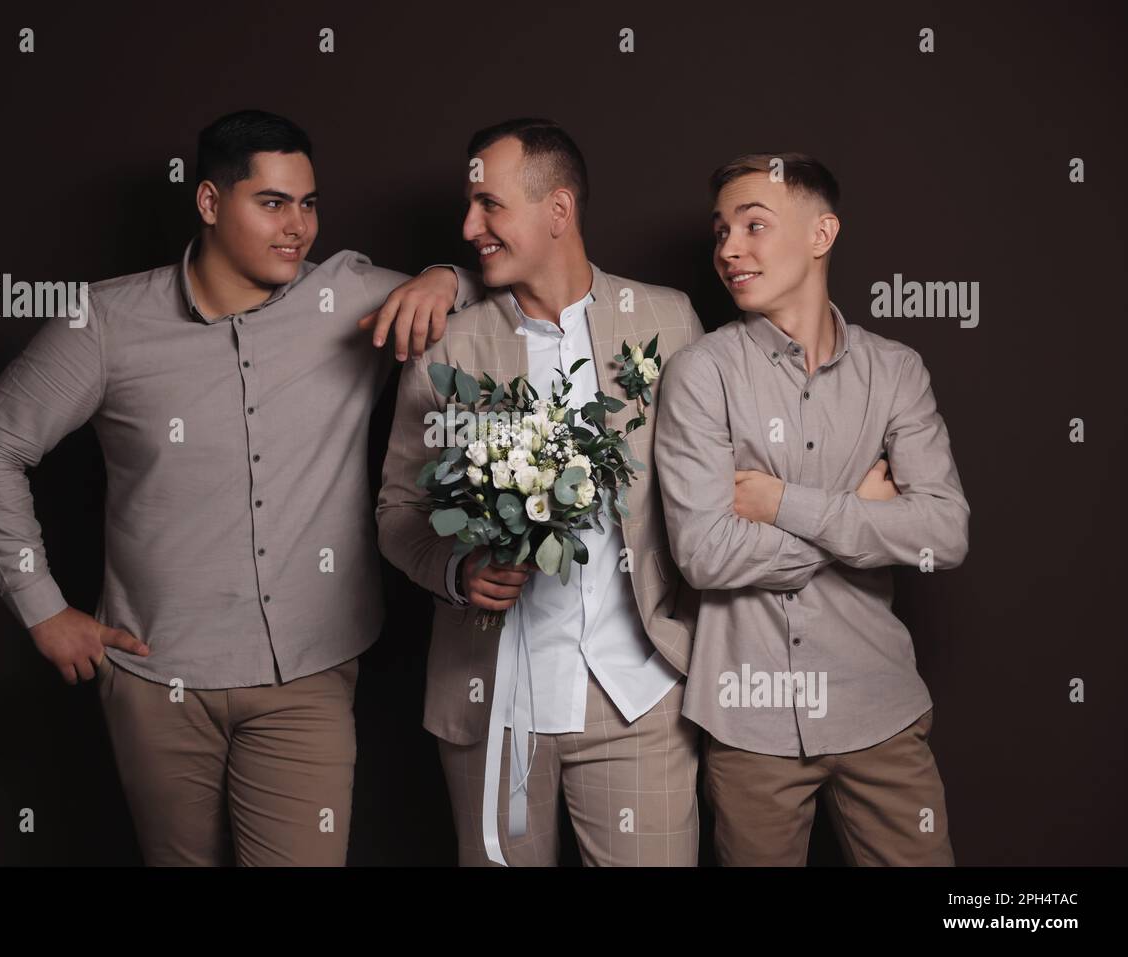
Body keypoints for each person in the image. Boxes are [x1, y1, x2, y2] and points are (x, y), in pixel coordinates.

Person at [0, 109, 483, 866]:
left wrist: (444, 276)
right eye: (272, 203)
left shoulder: (348, 295)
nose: (298, 226)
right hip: (155, 678)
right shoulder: (104, 321)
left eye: (308, 202)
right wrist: (41, 608)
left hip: (308, 674)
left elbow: (482, 301)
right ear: (207, 202)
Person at [377, 119, 704, 866]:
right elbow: (397, 511)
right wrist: (457, 572)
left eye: (489, 206)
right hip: (490, 700)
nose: (469, 226)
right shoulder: (446, 349)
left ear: (558, 211)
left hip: (639, 695)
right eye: (468, 207)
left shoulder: (669, 319)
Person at [654, 152, 969, 865]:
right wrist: (857, 515)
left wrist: (783, 503)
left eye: (754, 225)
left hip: (879, 710)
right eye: (720, 231)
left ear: (822, 233)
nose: (729, 249)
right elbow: (703, 553)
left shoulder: (895, 371)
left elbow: (944, 532)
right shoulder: (700, 373)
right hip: (748, 725)